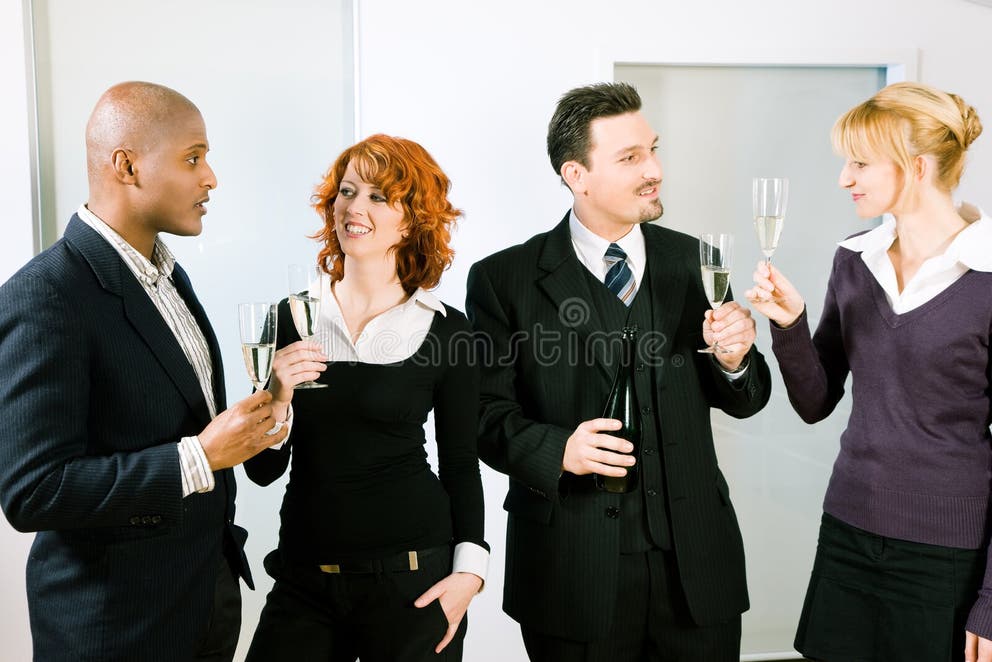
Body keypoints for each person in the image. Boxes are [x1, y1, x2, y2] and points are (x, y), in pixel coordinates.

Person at [465, 81, 772, 661]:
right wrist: (559, 450)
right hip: (570, 573)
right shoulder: (502, 279)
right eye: (630, 158)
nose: (654, 169)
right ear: (575, 174)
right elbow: (482, 416)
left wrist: (735, 362)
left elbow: (747, 399)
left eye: (653, 150)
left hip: (697, 569)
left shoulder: (696, 260)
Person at [0, 81, 288, 662]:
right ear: (126, 166)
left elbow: (186, 420)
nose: (211, 178)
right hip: (116, 631)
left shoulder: (169, 276)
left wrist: (272, 403)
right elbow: (33, 492)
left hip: (203, 604)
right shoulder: (44, 296)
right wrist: (200, 457)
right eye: (193, 158)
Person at [746, 81, 991, 662]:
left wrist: (991, 599)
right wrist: (790, 324)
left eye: (859, 162)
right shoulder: (856, 259)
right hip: (849, 530)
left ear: (918, 166)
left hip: (947, 553)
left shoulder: (988, 278)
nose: (844, 178)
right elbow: (816, 401)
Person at [243, 134, 488, 662]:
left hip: (414, 582)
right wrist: (278, 396)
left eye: (379, 196)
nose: (355, 207)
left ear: (414, 217)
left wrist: (470, 573)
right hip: (305, 579)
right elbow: (261, 471)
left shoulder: (449, 331)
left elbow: (461, 464)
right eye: (347, 191)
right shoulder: (290, 317)